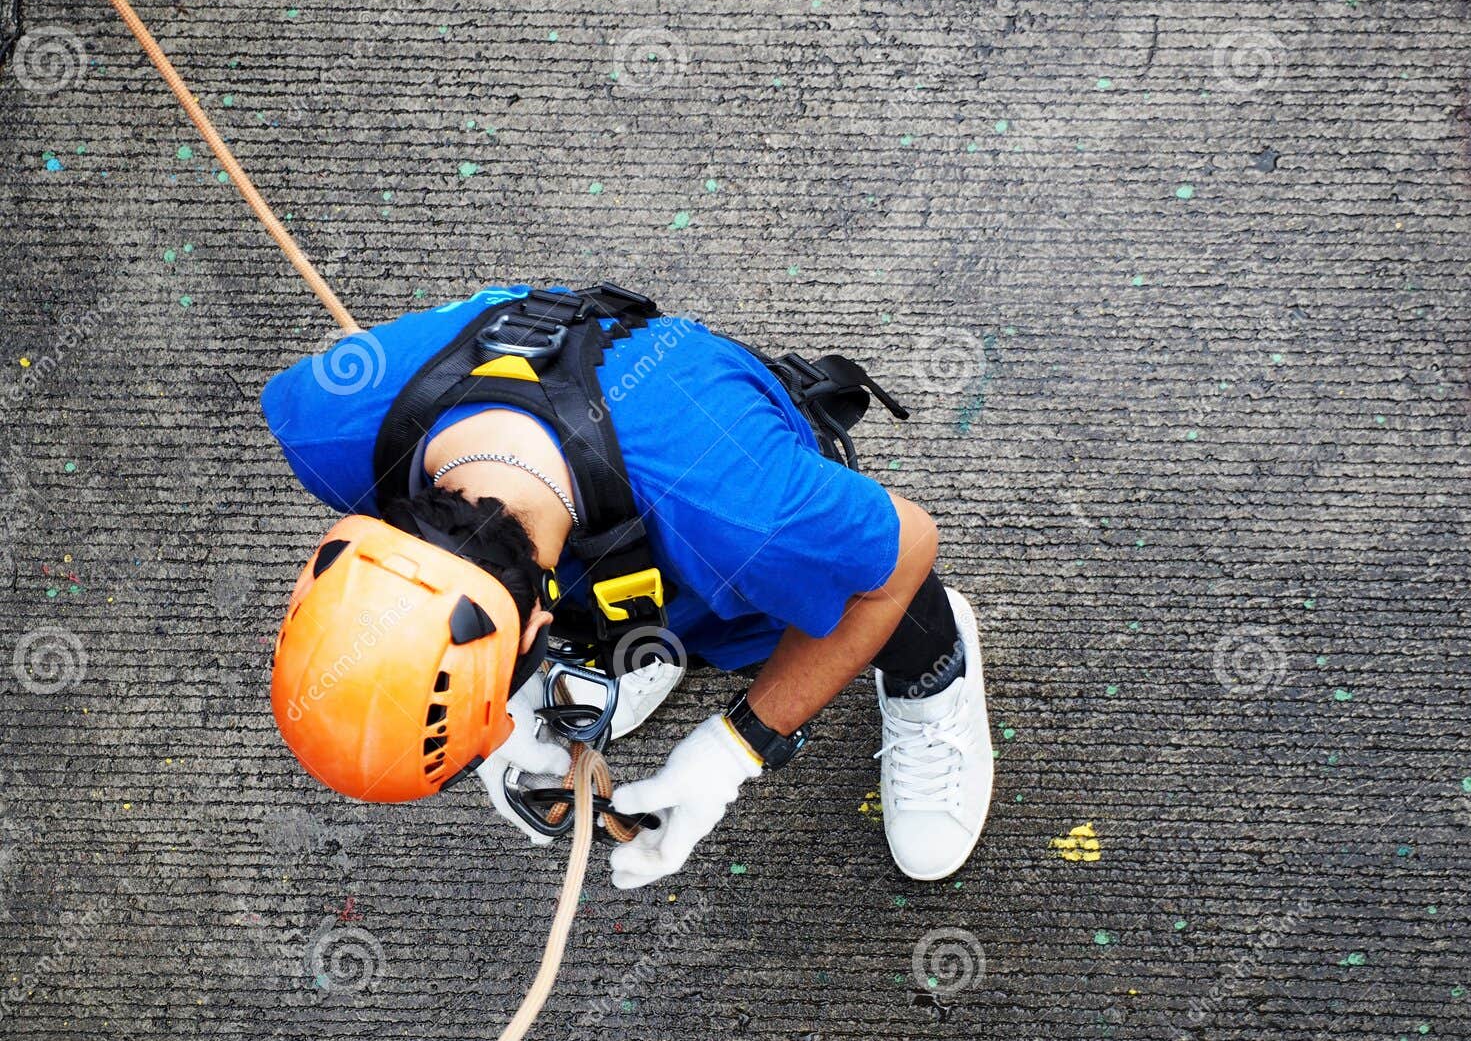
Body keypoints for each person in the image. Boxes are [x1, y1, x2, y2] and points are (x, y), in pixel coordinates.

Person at [262, 284, 992, 884]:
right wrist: (483, 704)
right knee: (641, 591)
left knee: (846, 587)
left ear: (540, 635)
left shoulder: (744, 512)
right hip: (612, 484)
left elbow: (907, 552)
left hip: (701, 459)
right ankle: (637, 638)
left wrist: (740, 745)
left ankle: (937, 669)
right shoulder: (323, 426)